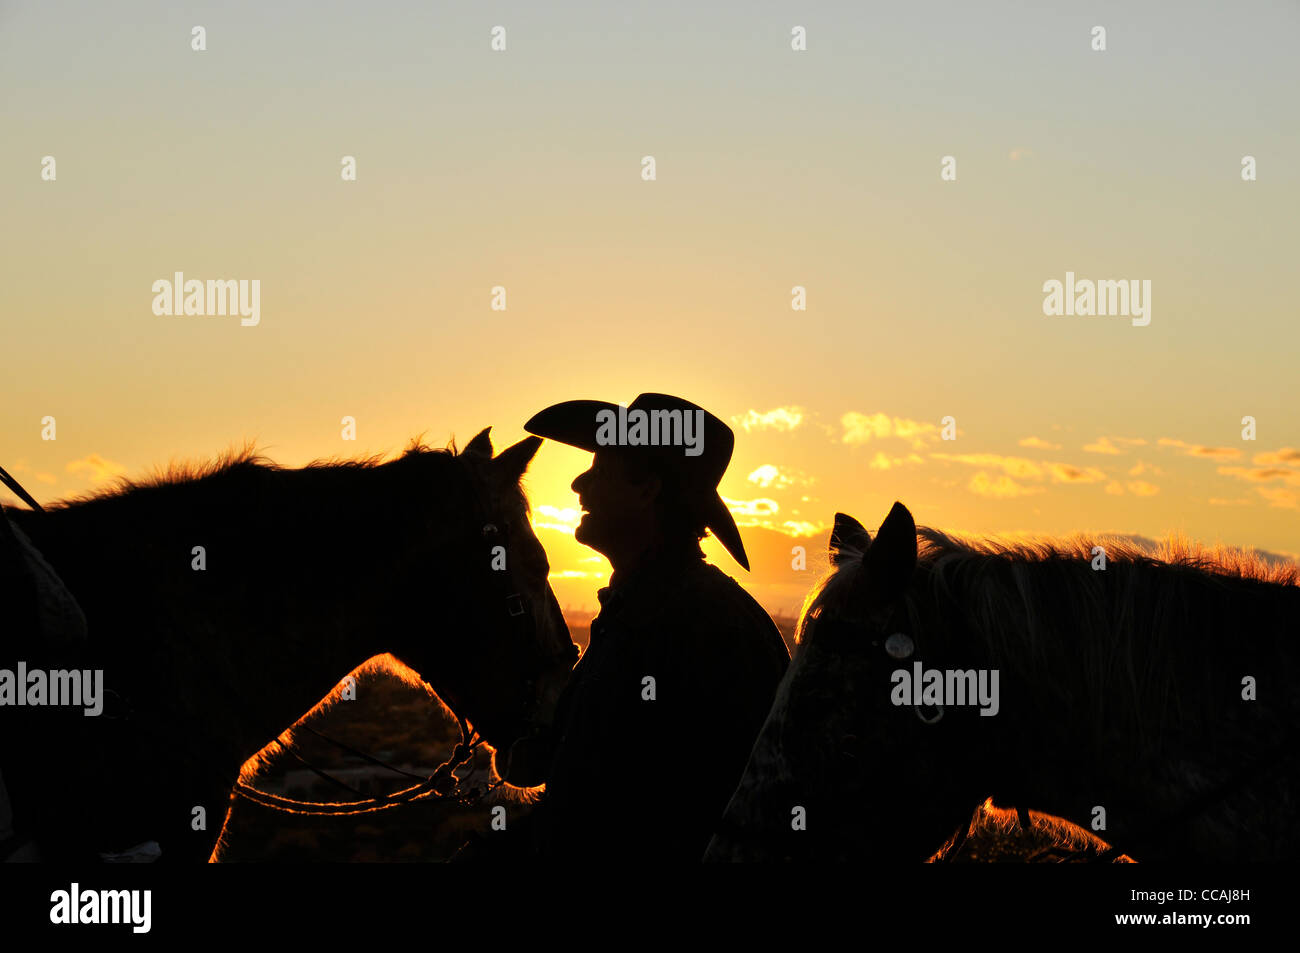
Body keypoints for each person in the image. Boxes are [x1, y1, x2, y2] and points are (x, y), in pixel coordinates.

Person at [515, 392, 791, 861]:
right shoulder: (644, 609)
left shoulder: (711, 626)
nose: (579, 483)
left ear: (648, 490)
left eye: (599, 469)